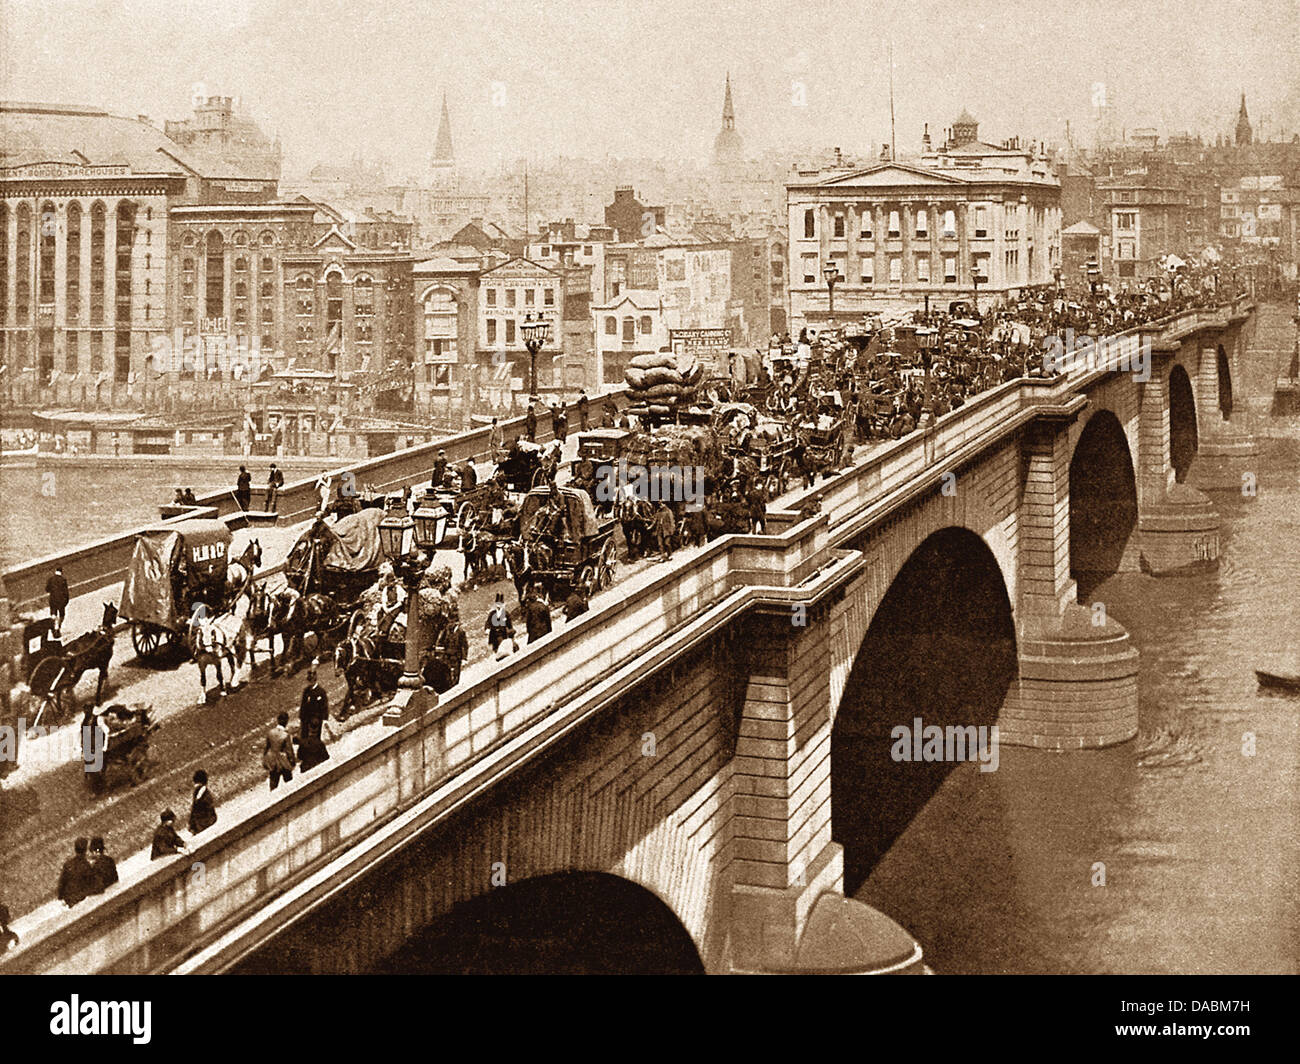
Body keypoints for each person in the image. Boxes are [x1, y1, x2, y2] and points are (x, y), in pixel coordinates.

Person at [297, 665, 330, 772]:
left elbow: (324, 706)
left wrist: (324, 719)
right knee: (305, 738)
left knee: (315, 739)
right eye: (309, 680)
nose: (310, 682)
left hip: (316, 721)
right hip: (306, 721)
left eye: (312, 680)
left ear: (315, 679)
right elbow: (303, 705)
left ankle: (315, 757)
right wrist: (301, 718)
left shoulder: (321, 692)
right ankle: (306, 758)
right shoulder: (306, 691)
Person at [56, 837, 96, 907]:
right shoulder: (86, 865)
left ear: (75, 849)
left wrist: (61, 897)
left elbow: (61, 884)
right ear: (86, 851)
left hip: (70, 900)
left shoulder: (68, 864)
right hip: (81, 900)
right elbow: (93, 884)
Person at [264, 712, 296, 791]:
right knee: (289, 783)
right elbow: (289, 751)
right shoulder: (285, 735)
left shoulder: (270, 733)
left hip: (273, 762)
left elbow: (267, 748)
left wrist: (265, 760)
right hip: (283, 762)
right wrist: (292, 761)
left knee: (273, 783)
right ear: (286, 721)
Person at [189, 769, 217, 835]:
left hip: (202, 824)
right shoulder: (204, 791)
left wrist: (191, 824)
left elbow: (194, 809)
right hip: (207, 821)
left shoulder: (198, 792)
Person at [46, 566, 69, 635]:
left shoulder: (50, 579)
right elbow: (66, 592)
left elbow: (47, 589)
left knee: (53, 614)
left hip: (53, 599)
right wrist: (66, 601)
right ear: (61, 572)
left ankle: (54, 627)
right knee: (62, 615)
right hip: (61, 600)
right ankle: (58, 627)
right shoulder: (63, 580)